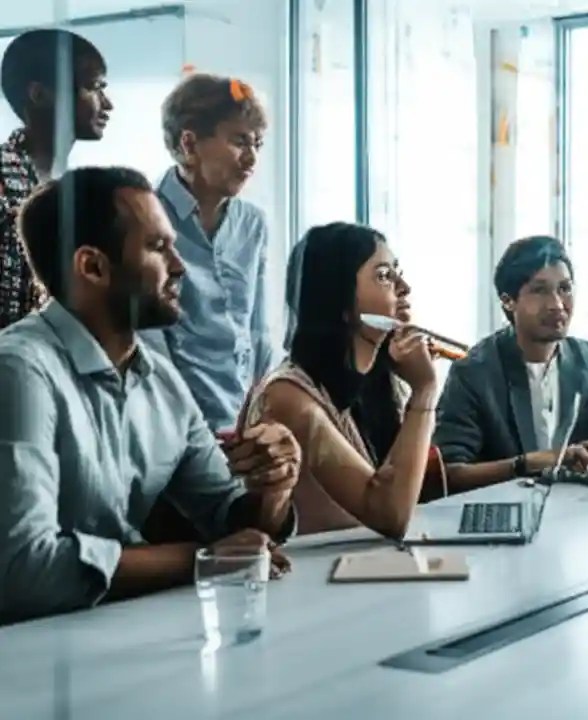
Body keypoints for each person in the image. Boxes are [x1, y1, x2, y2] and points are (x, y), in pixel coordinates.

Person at [0, 167, 300, 625]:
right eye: (159, 247)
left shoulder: (161, 380)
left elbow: (234, 524)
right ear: (93, 267)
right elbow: (22, 569)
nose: (180, 266)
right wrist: (199, 560)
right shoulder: (19, 370)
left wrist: (274, 487)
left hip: (114, 636)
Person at [238, 223, 440, 537]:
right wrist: (425, 392)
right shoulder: (289, 397)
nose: (404, 287)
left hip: (360, 568)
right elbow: (389, 515)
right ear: (340, 300)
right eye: (384, 275)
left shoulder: (380, 381)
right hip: (306, 578)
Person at [435, 235, 588, 491]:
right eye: (539, 290)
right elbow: (449, 474)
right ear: (507, 300)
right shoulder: (473, 372)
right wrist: (533, 462)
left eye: (565, 289)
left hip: (575, 510)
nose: (557, 305)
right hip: (503, 514)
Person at [141, 72, 275, 432]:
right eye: (239, 142)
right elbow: (148, 348)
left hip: (243, 423)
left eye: (258, 144)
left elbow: (258, 332)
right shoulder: (144, 216)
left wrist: (260, 420)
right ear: (189, 144)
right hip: (173, 428)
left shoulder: (253, 223)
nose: (251, 159)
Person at [0, 29, 112, 330]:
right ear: (40, 94)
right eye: (94, 87)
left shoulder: (74, 187)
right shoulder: (4, 178)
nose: (107, 104)